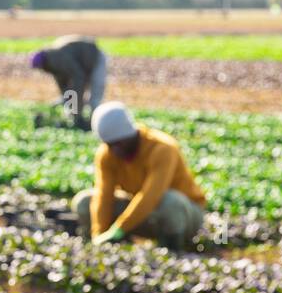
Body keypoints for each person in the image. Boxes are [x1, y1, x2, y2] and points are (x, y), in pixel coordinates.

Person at [70, 102, 206, 252]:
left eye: (119, 143)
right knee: (85, 202)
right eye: (110, 145)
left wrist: (120, 228)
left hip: (183, 214)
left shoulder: (163, 149)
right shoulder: (107, 154)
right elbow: (104, 195)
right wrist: (99, 234)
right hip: (143, 213)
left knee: (170, 201)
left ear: (129, 134)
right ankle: (115, 247)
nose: (115, 150)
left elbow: (151, 196)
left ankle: (172, 249)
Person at [30, 34, 107, 129]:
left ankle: (97, 124)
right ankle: (82, 120)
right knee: (72, 96)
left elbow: (78, 79)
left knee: (95, 96)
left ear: (43, 63)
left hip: (95, 57)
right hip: (83, 64)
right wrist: (70, 102)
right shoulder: (52, 65)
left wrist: (76, 109)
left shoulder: (60, 58)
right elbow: (64, 87)